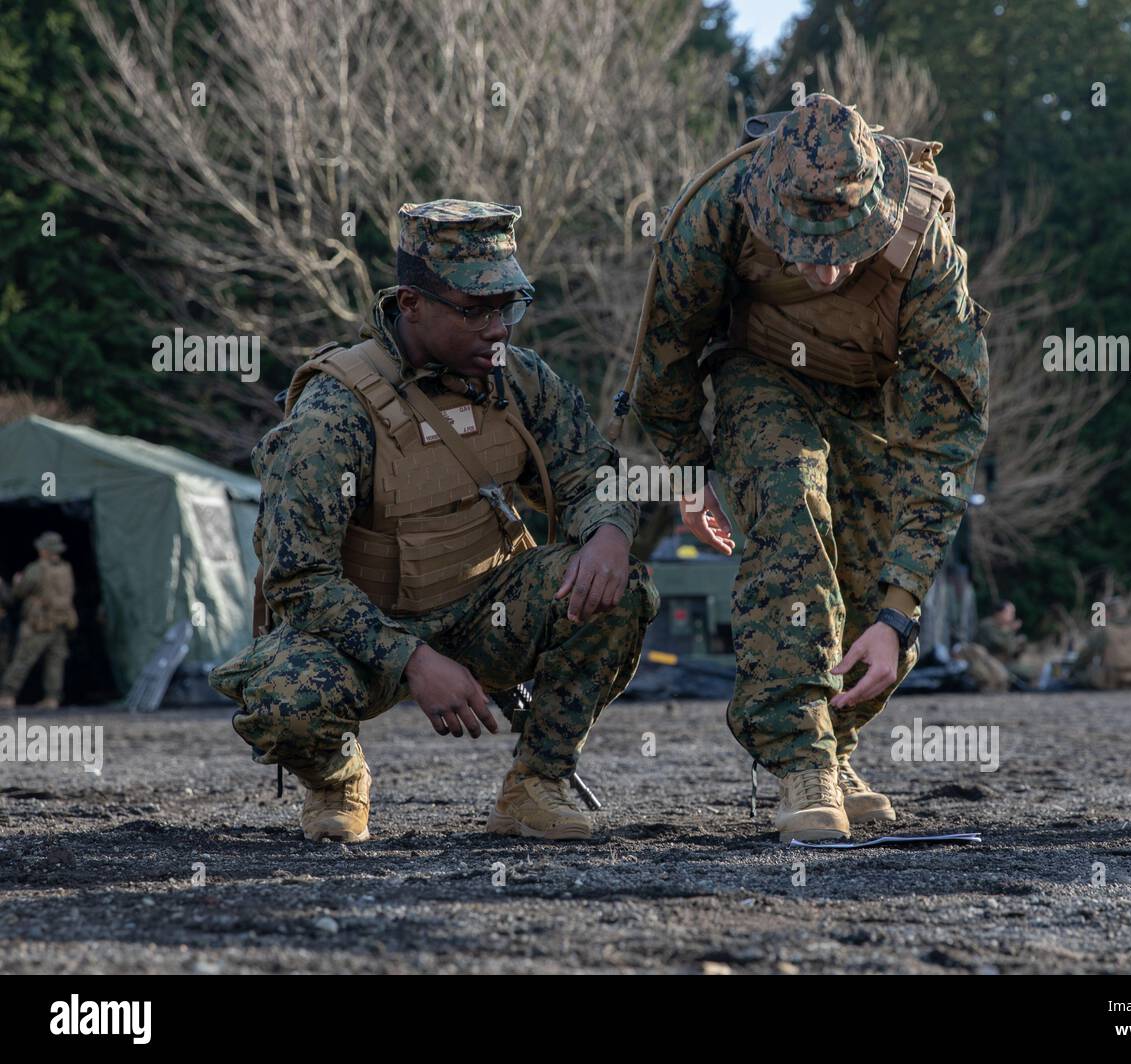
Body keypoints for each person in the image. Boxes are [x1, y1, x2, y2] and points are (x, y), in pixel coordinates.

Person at [210, 200, 658, 843]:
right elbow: (298, 579)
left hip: (485, 609)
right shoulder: (334, 412)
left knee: (624, 586)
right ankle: (338, 783)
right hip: (362, 630)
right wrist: (412, 660)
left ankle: (537, 784)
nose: (497, 329)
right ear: (411, 304)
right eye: (474, 310)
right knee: (287, 698)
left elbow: (594, 475)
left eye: (508, 307)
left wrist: (609, 532)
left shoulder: (520, 381)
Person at [631, 95, 989, 841]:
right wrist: (689, 472)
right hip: (761, 371)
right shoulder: (716, 214)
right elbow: (663, 357)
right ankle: (800, 757)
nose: (825, 272)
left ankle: (836, 743)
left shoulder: (926, 253)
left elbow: (945, 443)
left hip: (870, 393)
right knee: (793, 509)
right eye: (805, 247)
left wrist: (898, 609)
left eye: (843, 248)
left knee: (864, 566)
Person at [0, 531, 78, 711]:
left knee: (23, 659)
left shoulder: (37, 569)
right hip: (61, 622)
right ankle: (52, 698)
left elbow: (19, 593)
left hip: (39, 623)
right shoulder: (66, 569)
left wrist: (16, 583)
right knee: (55, 661)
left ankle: (7, 695)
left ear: (44, 550)